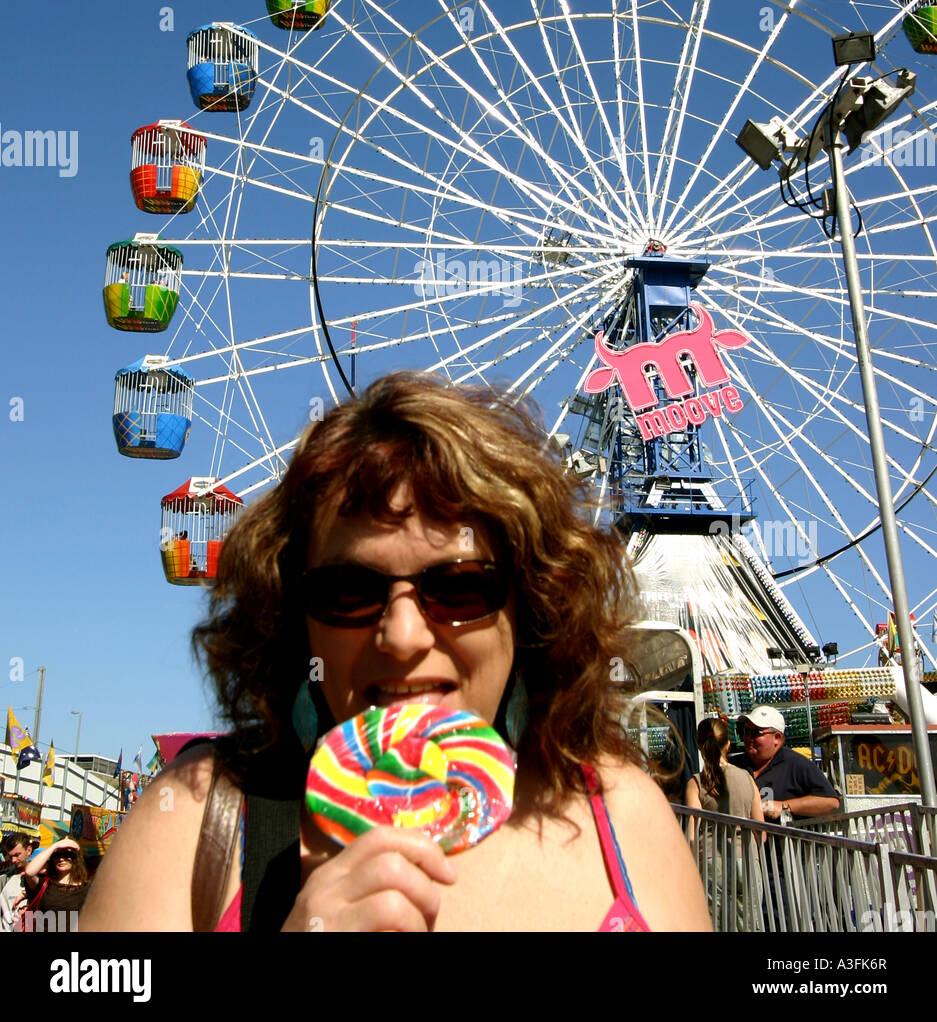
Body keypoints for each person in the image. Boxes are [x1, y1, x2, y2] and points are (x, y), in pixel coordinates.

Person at [82, 372, 712, 933]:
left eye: (461, 586)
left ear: (531, 608)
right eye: (348, 591)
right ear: (294, 618)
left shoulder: (624, 819)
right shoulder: (193, 821)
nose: (403, 635)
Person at [685, 717, 764, 929]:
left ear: (699, 746)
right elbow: (761, 830)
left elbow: (693, 835)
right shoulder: (747, 779)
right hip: (747, 859)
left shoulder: (695, 783)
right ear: (728, 744)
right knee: (748, 925)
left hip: (711, 862)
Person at [731, 706, 840, 822]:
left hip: (785, 839)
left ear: (776, 738)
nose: (748, 738)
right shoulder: (733, 764)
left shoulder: (796, 764)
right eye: (746, 731)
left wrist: (784, 805)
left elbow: (830, 802)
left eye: (755, 733)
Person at [18, 837, 90, 931]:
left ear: (76, 857)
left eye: (67, 854)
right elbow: (29, 872)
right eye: (57, 854)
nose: (61, 859)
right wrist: (55, 846)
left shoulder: (85, 889)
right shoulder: (44, 883)